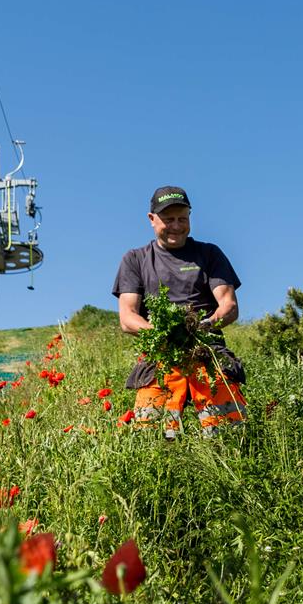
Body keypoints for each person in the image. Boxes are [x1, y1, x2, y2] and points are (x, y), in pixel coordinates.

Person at [113, 186, 247, 438]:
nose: (176, 225)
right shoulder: (135, 259)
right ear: (152, 219)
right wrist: (164, 332)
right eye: (168, 219)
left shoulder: (209, 254)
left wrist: (207, 324)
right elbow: (127, 317)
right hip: (159, 358)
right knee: (153, 439)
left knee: (228, 437)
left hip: (207, 352)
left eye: (182, 218)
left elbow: (228, 305)